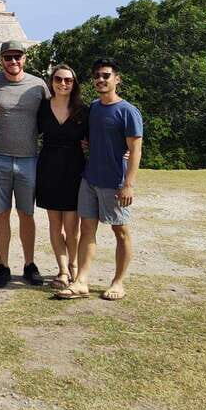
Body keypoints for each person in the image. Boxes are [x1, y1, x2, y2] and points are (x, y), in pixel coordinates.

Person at [55, 58, 142, 301]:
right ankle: (81, 281)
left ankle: (118, 282)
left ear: (117, 79)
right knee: (87, 231)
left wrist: (128, 184)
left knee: (121, 231)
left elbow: (135, 150)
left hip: (114, 182)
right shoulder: (93, 108)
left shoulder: (128, 111)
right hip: (90, 178)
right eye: (97, 76)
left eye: (106, 75)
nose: (101, 80)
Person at [0, 40, 50, 288]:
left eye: (17, 57)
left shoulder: (38, 85)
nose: (13, 62)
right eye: (8, 57)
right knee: (1, 213)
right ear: (1, 59)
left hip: (28, 159)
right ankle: (3, 265)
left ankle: (29, 263)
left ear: (25, 59)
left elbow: (54, 115)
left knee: (27, 213)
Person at [36, 64, 88, 290]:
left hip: (74, 169)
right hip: (48, 168)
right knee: (55, 225)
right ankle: (63, 270)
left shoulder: (82, 110)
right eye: (58, 79)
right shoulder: (42, 107)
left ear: (74, 83)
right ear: (52, 82)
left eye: (68, 80)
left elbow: (97, 137)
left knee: (72, 226)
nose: (63, 83)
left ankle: (74, 266)